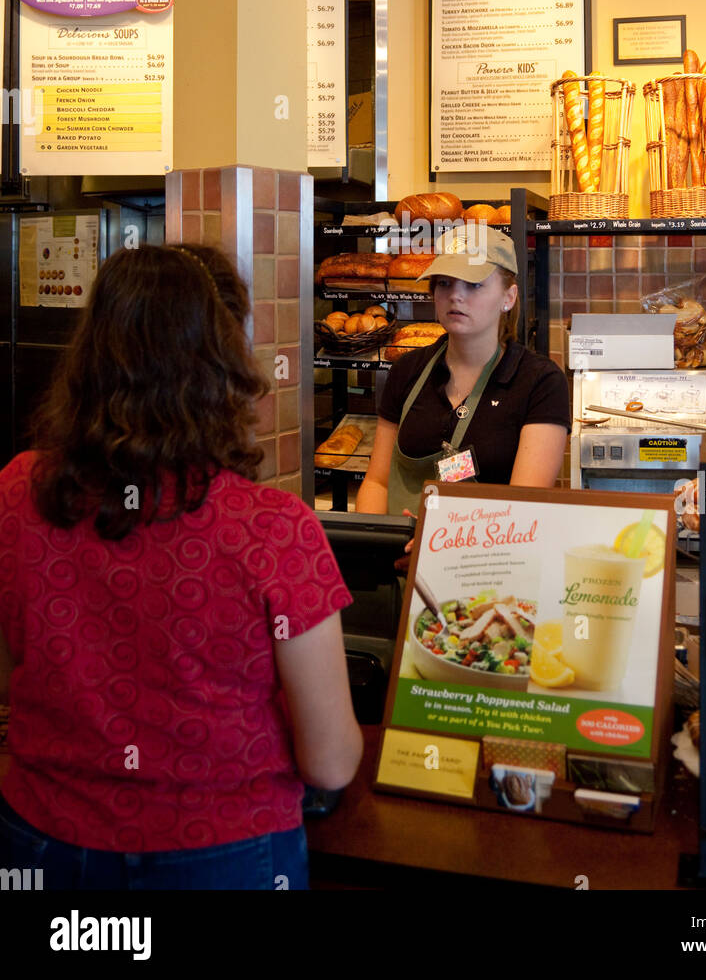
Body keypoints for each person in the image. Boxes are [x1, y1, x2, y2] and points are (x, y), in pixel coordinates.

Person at [0, 242, 362, 890]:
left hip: (40, 844)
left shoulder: (17, 493)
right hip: (225, 854)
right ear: (223, 363)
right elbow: (332, 762)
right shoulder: (274, 529)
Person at [356, 226, 570, 522]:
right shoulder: (408, 371)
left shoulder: (539, 382)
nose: (456, 295)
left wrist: (433, 545)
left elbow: (523, 508)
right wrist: (378, 539)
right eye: (444, 283)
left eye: (474, 284)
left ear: (508, 297)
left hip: (486, 562)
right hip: (397, 560)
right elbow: (377, 482)